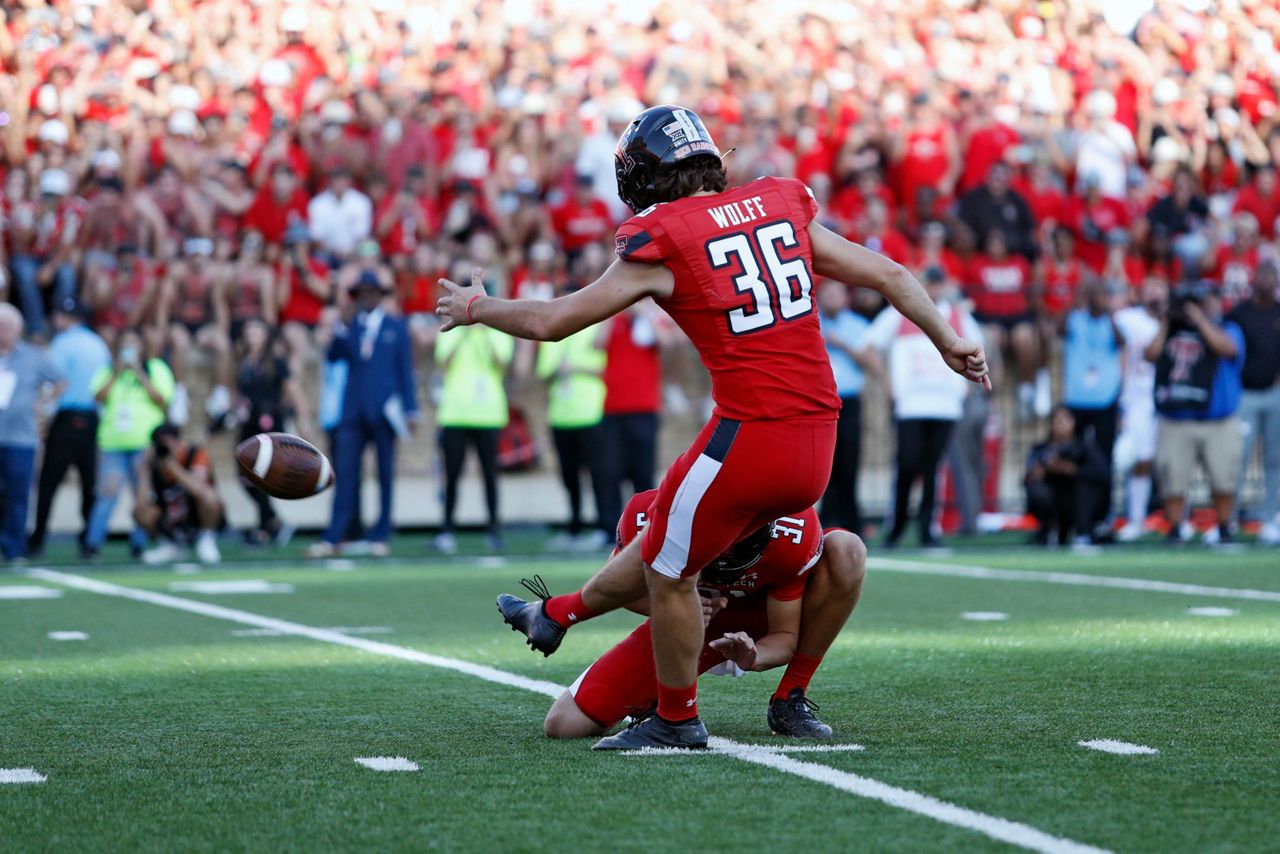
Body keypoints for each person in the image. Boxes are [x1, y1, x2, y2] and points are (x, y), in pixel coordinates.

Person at [437, 105, 988, 751]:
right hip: (819, 435)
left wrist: (478, 306)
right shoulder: (781, 201)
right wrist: (949, 340)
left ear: (642, 174)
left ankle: (675, 720)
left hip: (754, 431)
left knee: (670, 570)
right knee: (673, 530)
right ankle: (555, 615)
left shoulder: (664, 233)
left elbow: (555, 321)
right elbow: (891, 273)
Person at [543, 489, 866, 740]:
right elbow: (615, 590)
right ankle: (655, 696)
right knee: (564, 723)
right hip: (688, 620)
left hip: (761, 614)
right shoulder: (653, 514)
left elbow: (784, 636)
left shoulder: (792, 533)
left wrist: (752, 656)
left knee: (847, 549)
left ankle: (789, 697)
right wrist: (677, 603)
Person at [861, 268, 985, 548]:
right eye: (930, 283)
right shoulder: (901, 313)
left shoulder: (957, 316)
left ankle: (929, 531)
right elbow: (869, 347)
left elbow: (980, 347)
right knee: (906, 466)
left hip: (945, 405)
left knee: (932, 470)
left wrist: (966, 386)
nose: (934, 289)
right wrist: (888, 383)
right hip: (911, 405)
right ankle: (897, 528)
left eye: (937, 283)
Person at [307, 274, 419, 558]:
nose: (366, 298)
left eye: (371, 292)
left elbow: (405, 370)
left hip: (384, 410)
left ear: (381, 295)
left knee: (385, 474)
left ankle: (381, 534)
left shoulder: (396, 326)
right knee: (345, 474)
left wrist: (410, 409)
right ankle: (335, 534)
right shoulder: (351, 326)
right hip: (353, 410)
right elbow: (333, 355)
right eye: (361, 293)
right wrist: (340, 328)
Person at [1147, 281, 1247, 544]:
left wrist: (1201, 320)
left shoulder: (1229, 327)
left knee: (1223, 477)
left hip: (1217, 418)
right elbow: (1151, 354)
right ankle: (1176, 528)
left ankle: (1224, 528)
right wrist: (1168, 321)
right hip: (1177, 417)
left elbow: (1228, 348)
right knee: (1173, 478)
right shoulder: (1171, 330)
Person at [28, 298, 110, 558]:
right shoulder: (99, 344)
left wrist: (43, 414)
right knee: (89, 483)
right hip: (91, 418)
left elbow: (56, 383)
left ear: (67, 318)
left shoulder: (62, 344)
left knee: (49, 481)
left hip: (67, 417)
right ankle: (88, 541)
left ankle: (38, 539)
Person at [83, 329, 176, 559]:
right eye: (125, 342)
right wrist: (116, 373)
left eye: (133, 343)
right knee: (107, 492)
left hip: (144, 443)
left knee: (142, 495)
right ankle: (92, 544)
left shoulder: (155, 368)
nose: (129, 347)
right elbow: (97, 398)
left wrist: (139, 373)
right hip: (112, 442)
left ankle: (140, 543)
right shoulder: (108, 370)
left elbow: (162, 401)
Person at [433, 297, 515, 555]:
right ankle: (447, 529)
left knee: (490, 474)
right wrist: (464, 331)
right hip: (454, 414)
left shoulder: (498, 329)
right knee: (452, 475)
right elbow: (442, 363)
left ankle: (493, 529)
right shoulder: (451, 328)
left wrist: (484, 329)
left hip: (488, 415)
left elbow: (502, 363)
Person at [536, 300, 608, 550]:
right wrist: (558, 368)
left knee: (598, 474)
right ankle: (575, 526)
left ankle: (603, 526)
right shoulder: (555, 334)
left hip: (591, 412)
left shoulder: (593, 327)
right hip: (561, 416)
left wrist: (574, 368)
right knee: (569, 476)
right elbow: (543, 370)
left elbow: (604, 367)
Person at [594, 300, 671, 539]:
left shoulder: (650, 319)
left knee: (643, 472)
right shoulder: (613, 319)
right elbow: (597, 343)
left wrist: (643, 315)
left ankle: (646, 528)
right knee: (609, 471)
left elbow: (668, 343)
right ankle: (610, 530)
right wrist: (614, 310)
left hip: (644, 409)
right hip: (613, 409)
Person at [232, 318, 310, 546]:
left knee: (261, 474)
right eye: (250, 329)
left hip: (269, 424)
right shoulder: (243, 361)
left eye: (257, 328)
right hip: (248, 425)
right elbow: (238, 394)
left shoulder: (275, 361)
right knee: (245, 475)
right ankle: (272, 522)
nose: (253, 333)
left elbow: (293, 390)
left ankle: (267, 527)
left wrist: (303, 420)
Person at [1061, 280, 1124, 542]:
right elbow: (1057, 328)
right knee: (1072, 461)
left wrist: (1108, 312)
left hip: (1105, 401)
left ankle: (1101, 518)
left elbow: (1121, 342)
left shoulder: (1112, 322)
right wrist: (1074, 301)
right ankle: (1074, 520)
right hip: (1077, 400)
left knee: (1104, 462)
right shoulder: (1075, 318)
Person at [0, 305, 64, 562]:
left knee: (17, 494)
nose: (3, 332)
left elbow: (60, 381)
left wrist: (45, 406)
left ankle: (12, 547)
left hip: (21, 437)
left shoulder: (33, 356)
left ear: (18, 330)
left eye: (7, 327)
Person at [1227, 260, 1280, 544]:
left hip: (1274, 394)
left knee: (1275, 459)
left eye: (1271, 275)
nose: (1267, 280)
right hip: (1245, 394)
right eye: (1263, 275)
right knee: (1239, 457)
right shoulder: (1241, 313)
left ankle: (1271, 519)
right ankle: (1229, 518)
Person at [1113, 278, 1167, 541]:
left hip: (1171, 396)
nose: (1155, 295)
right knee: (1139, 459)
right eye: (1150, 289)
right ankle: (1136, 519)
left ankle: (1176, 519)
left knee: (1172, 460)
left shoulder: (1175, 319)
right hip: (1139, 396)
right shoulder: (1128, 318)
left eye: (1159, 289)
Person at [816, 279, 871, 534]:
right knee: (821, 464)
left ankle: (852, 522)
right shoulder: (810, 322)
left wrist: (840, 343)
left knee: (849, 461)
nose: (832, 298)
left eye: (837, 293)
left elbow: (868, 360)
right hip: (819, 402)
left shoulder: (857, 325)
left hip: (848, 402)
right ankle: (824, 522)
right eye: (828, 293)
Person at [135, 424, 224, 565]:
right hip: (170, 514)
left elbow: (199, 490)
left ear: (178, 441)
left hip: (195, 512)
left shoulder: (195, 454)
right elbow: (141, 502)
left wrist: (173, 466)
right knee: (140, 512)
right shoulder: (153, 462)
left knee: (210, 497)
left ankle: (206, 540)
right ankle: (170, 545)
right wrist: (144, 469)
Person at [1025, 406, 1109, 546]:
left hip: (1080, 504)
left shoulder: (1084, 447)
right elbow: (1029, 478)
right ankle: (1049, 531)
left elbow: (1102, 473)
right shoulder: (1042, 449)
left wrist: (1071, 469)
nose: (1060, 425)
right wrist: (1041, 472)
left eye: (1064, 420)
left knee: (1084, 487)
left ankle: (1083, 533)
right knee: (1040, 491)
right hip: (1055, 502)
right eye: (1056, 421)